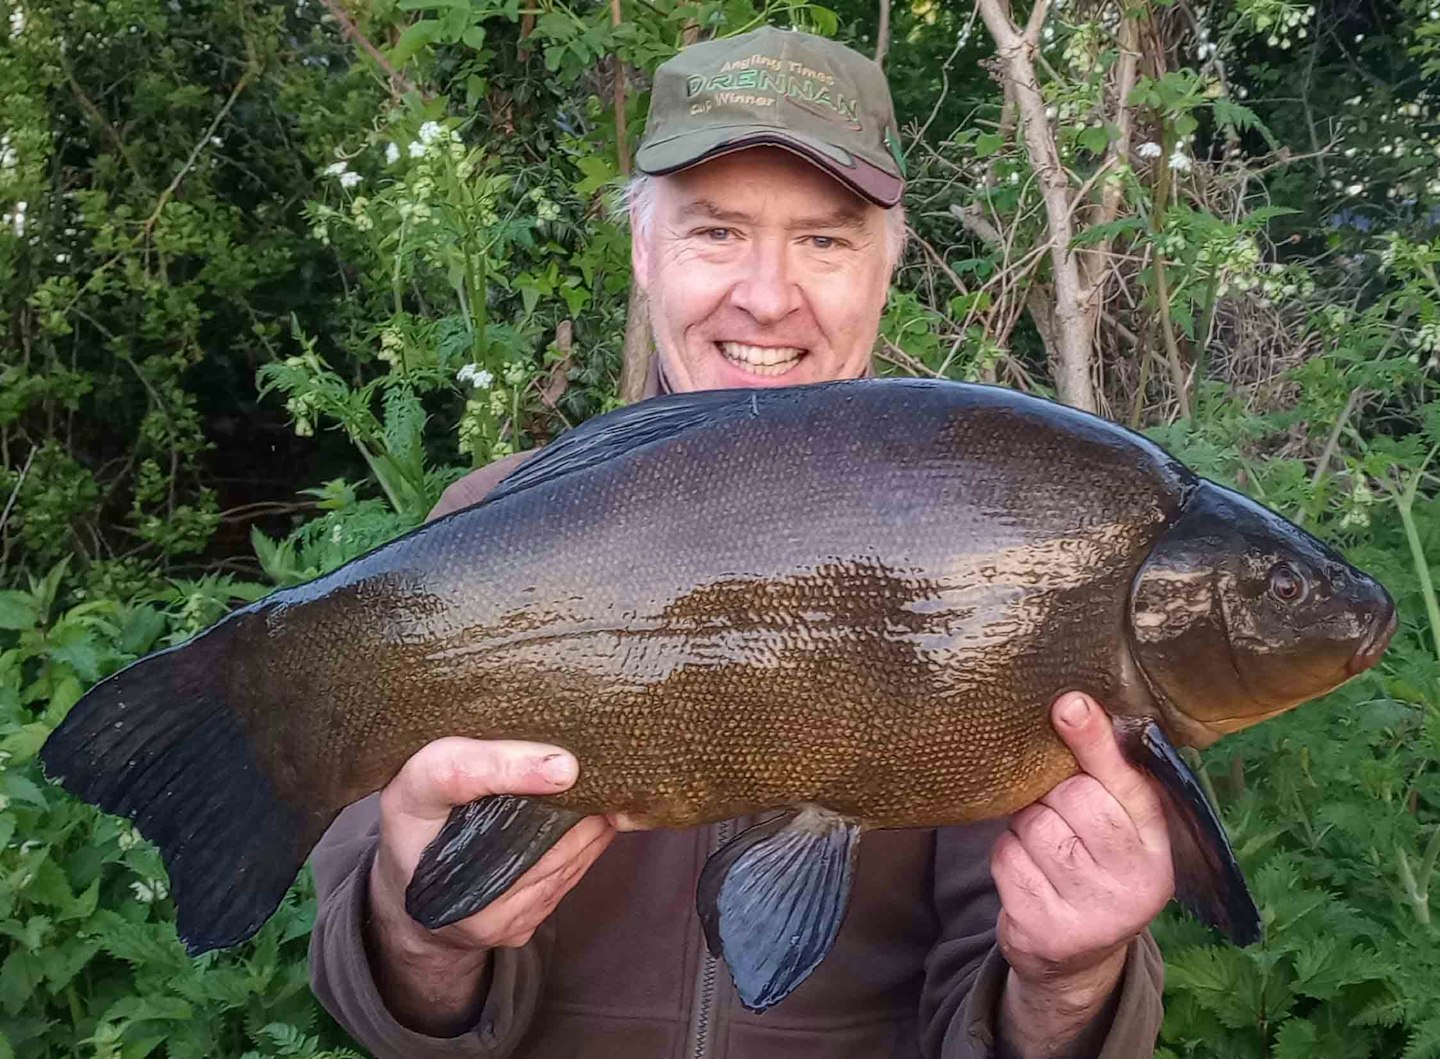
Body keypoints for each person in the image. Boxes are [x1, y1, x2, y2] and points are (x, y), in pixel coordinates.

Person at [309, 26, 1171, 1059]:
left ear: (884, 268)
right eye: (716, 232)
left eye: (825, 239)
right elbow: (385, 1013)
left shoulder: (1001, 548)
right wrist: (421, 934)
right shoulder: (487, 528)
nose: (767, 295)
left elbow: (1000, 1020)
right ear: (643, 251)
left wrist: (1071, 984)